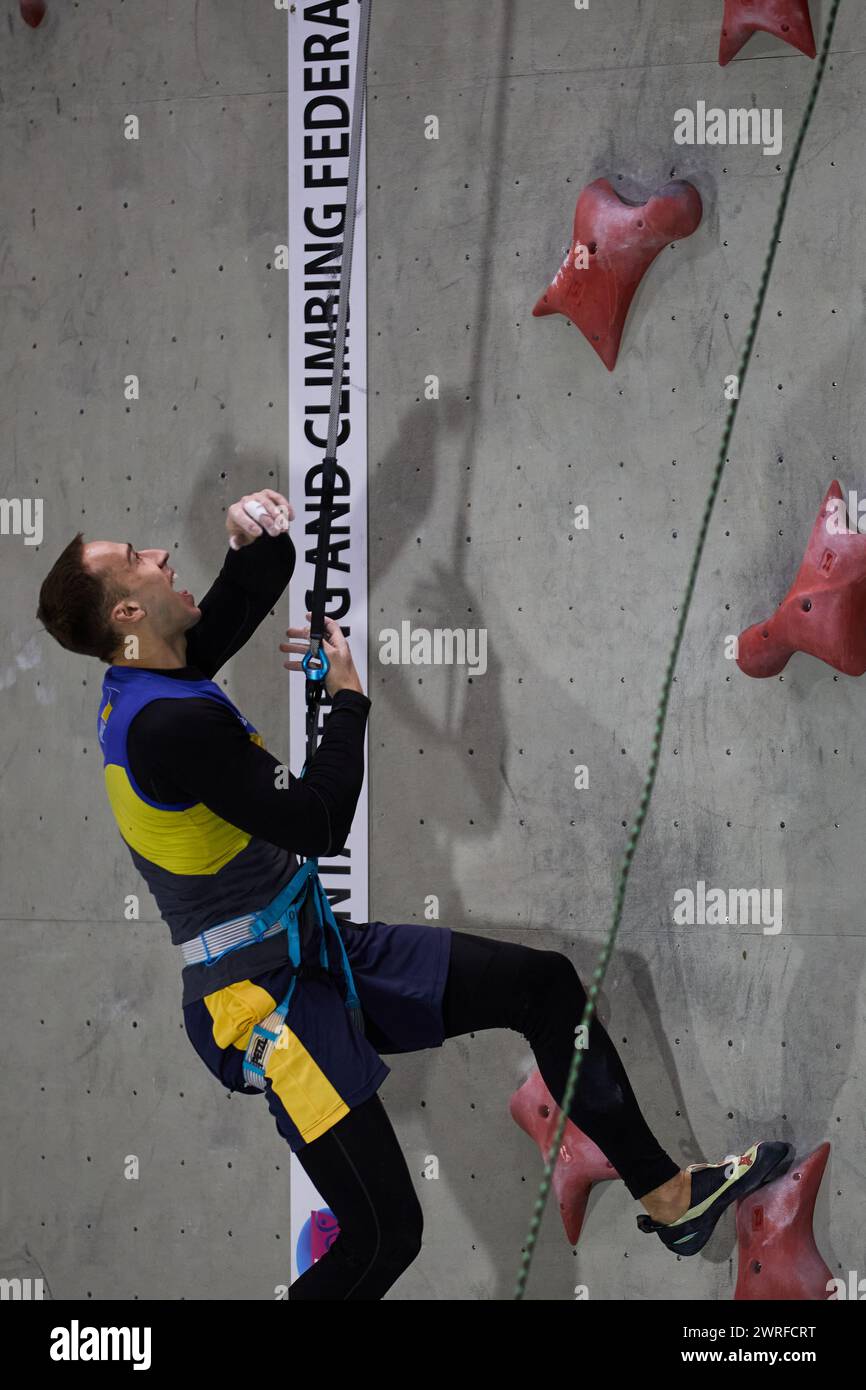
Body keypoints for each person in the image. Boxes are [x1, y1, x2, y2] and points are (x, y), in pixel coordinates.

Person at [36, 488, 792, 1300]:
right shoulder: (166, 729)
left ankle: (670, 1197)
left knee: (543, 987)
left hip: (312, 952)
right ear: (124, 612)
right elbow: (320, 822)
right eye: (139, 561)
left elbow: (248, 592)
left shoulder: (153, 674)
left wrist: (250, 540)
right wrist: (351, 700)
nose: (158, 557)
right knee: (385, 1237)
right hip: (264, 1007)